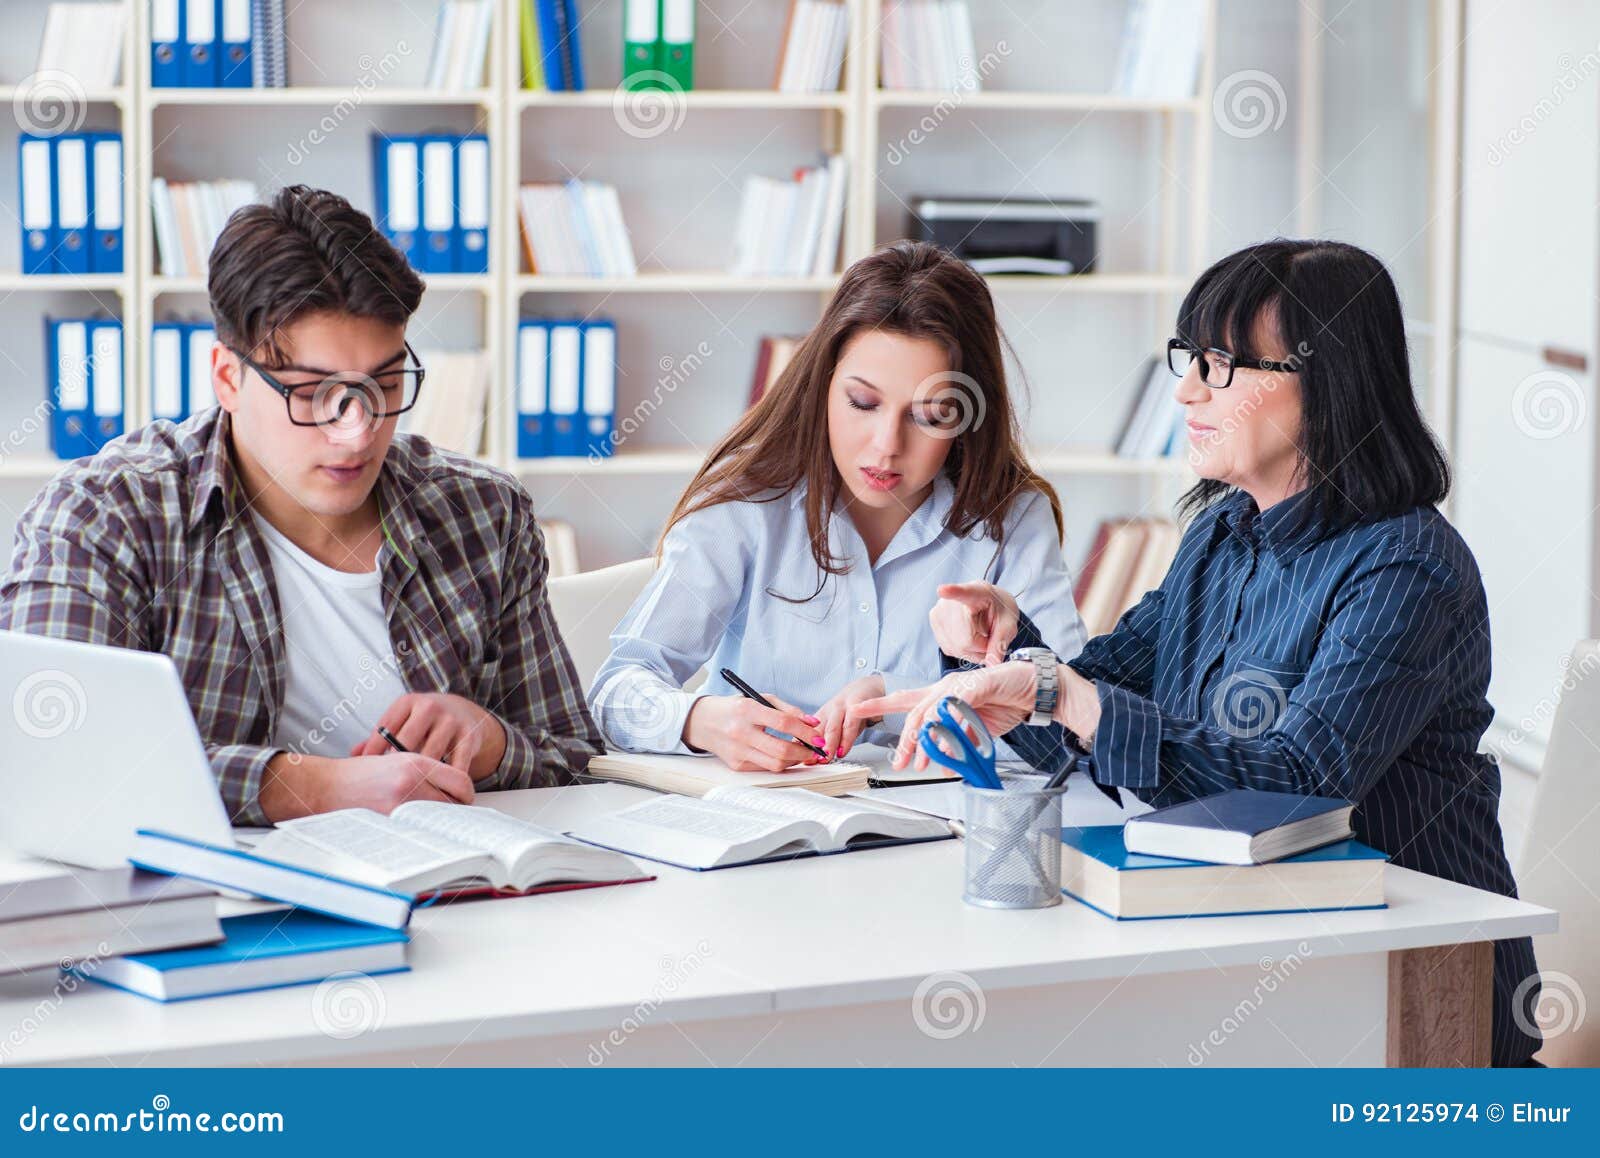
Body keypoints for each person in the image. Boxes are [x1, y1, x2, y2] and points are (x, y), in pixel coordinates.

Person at [853, 238, 1543, 1067]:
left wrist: (1066, 696)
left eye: (1221, 367)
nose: (1185, 391)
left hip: (1416, 996)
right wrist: (1009, 659)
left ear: (1329, 383)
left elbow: (1297, 788)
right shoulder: (1224, 529)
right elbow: (1104, 707)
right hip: (1246, 946)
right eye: (1191, 358)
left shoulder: (1408, 565)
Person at [0, 186, 602, 825]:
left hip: (462, 902)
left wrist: (491, 743)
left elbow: (576, 757)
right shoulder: (103, 515)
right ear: (228, 378)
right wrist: (315, 788)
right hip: (210, 910)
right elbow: (44, 757)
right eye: (313, 392)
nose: (357, 429)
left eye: (385, 383)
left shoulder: (485, 514)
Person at [588, 240, 1087, 770]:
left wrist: (891, 699)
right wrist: (701, 720)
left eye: (929, 416)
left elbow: (1076, 712)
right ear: (821, 384)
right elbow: (613, 693)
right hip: (772, 826)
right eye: (862, 404)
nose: (885, 446)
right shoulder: (745, 506)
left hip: (947, 831)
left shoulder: (1011, 518)